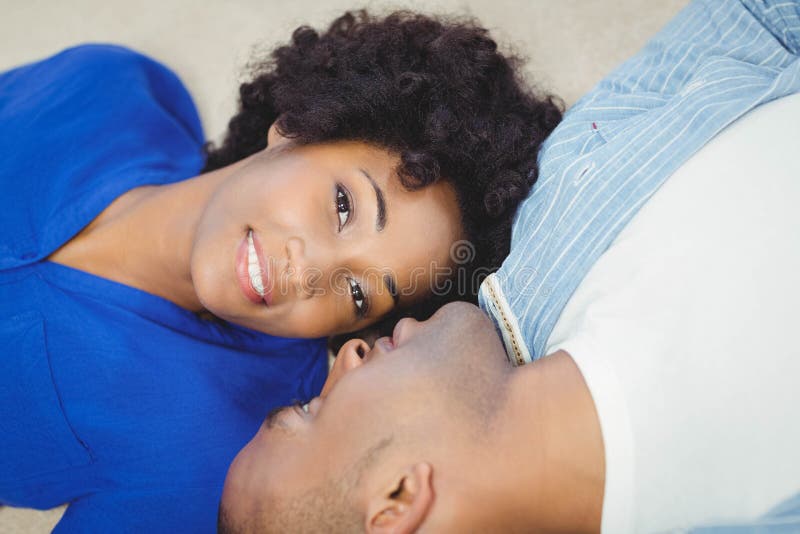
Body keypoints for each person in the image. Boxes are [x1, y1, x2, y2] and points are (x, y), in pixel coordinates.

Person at [219, 0, 800, 531]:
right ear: (397, 498)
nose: (346, 352)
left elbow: (760, 17)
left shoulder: (563, 196)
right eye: (315, 409)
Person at [0, 10, 561, 532]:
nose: (310, 273)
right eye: (344, 208)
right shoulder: (105, 87)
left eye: (359, 294)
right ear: (298, 125)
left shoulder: (227, 455)